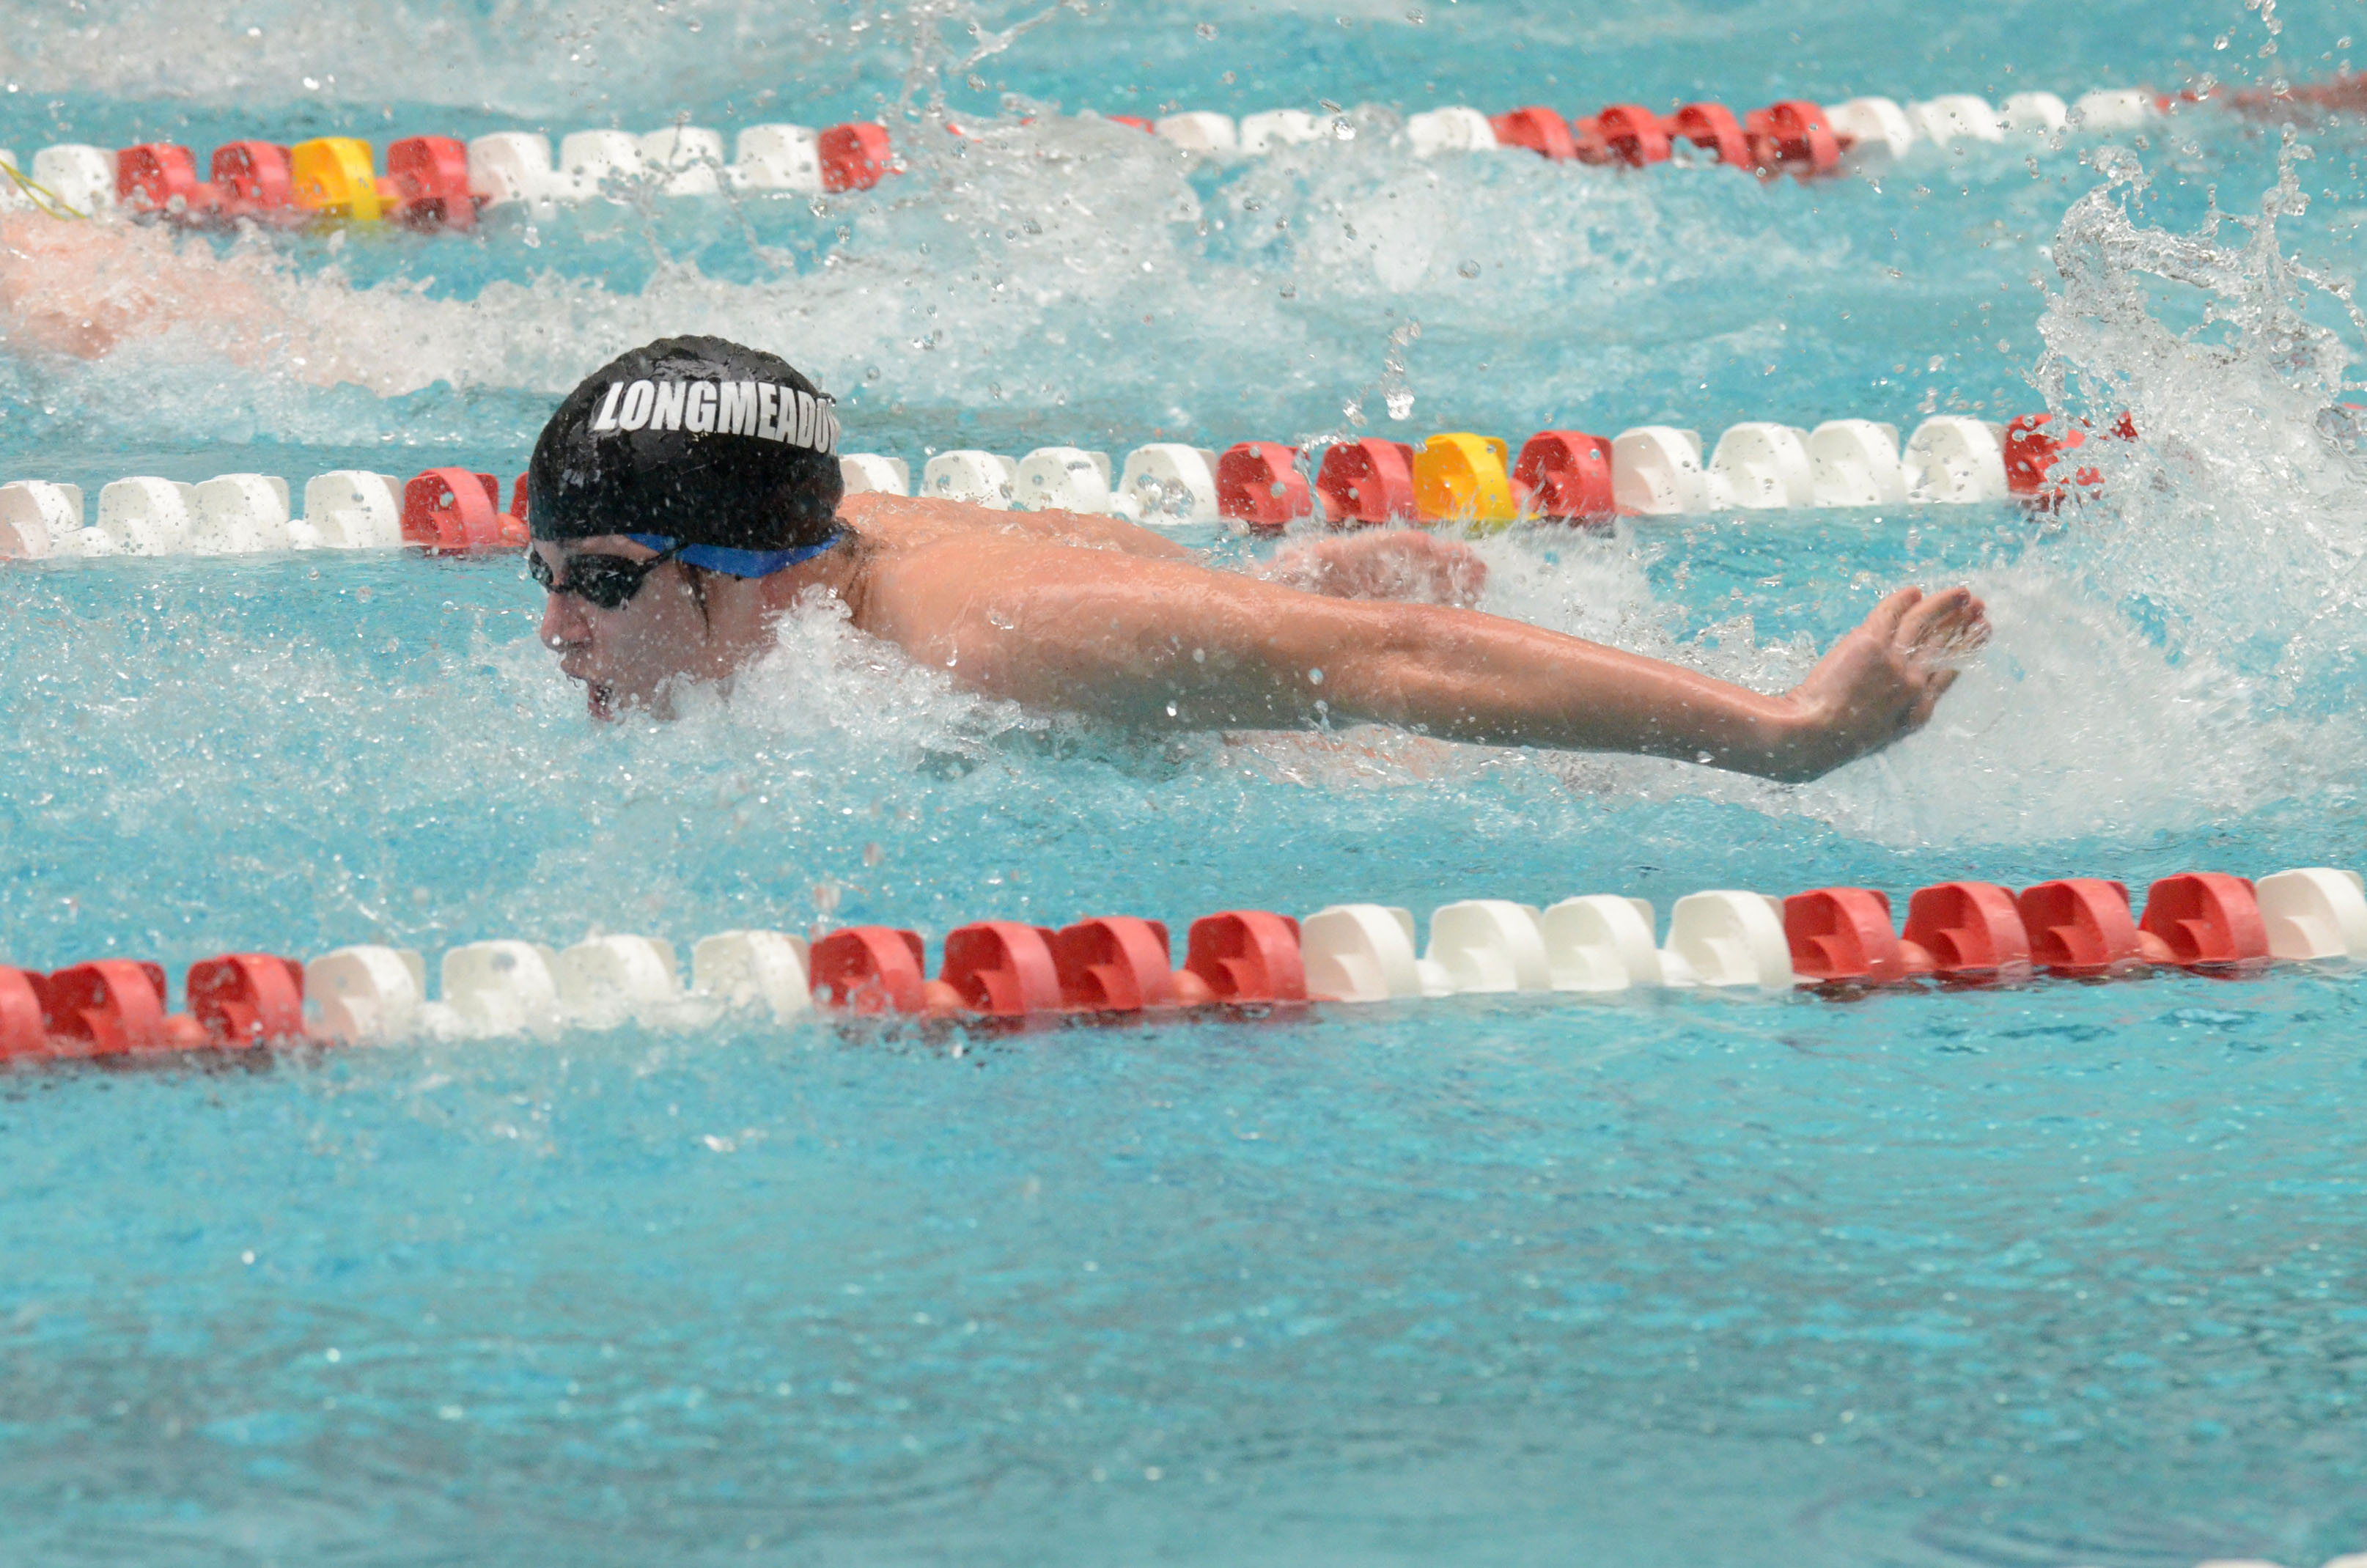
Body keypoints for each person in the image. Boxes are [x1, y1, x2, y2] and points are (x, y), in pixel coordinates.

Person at [529, 336, 1987, 782]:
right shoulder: (817, 555)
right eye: (539, 575)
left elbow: (1393, 668)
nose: (557, 634)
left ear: (747, 569)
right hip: (1203, 627)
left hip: (1378, 751)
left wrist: (1783, 730)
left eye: (596, 581)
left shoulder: (984, 637)